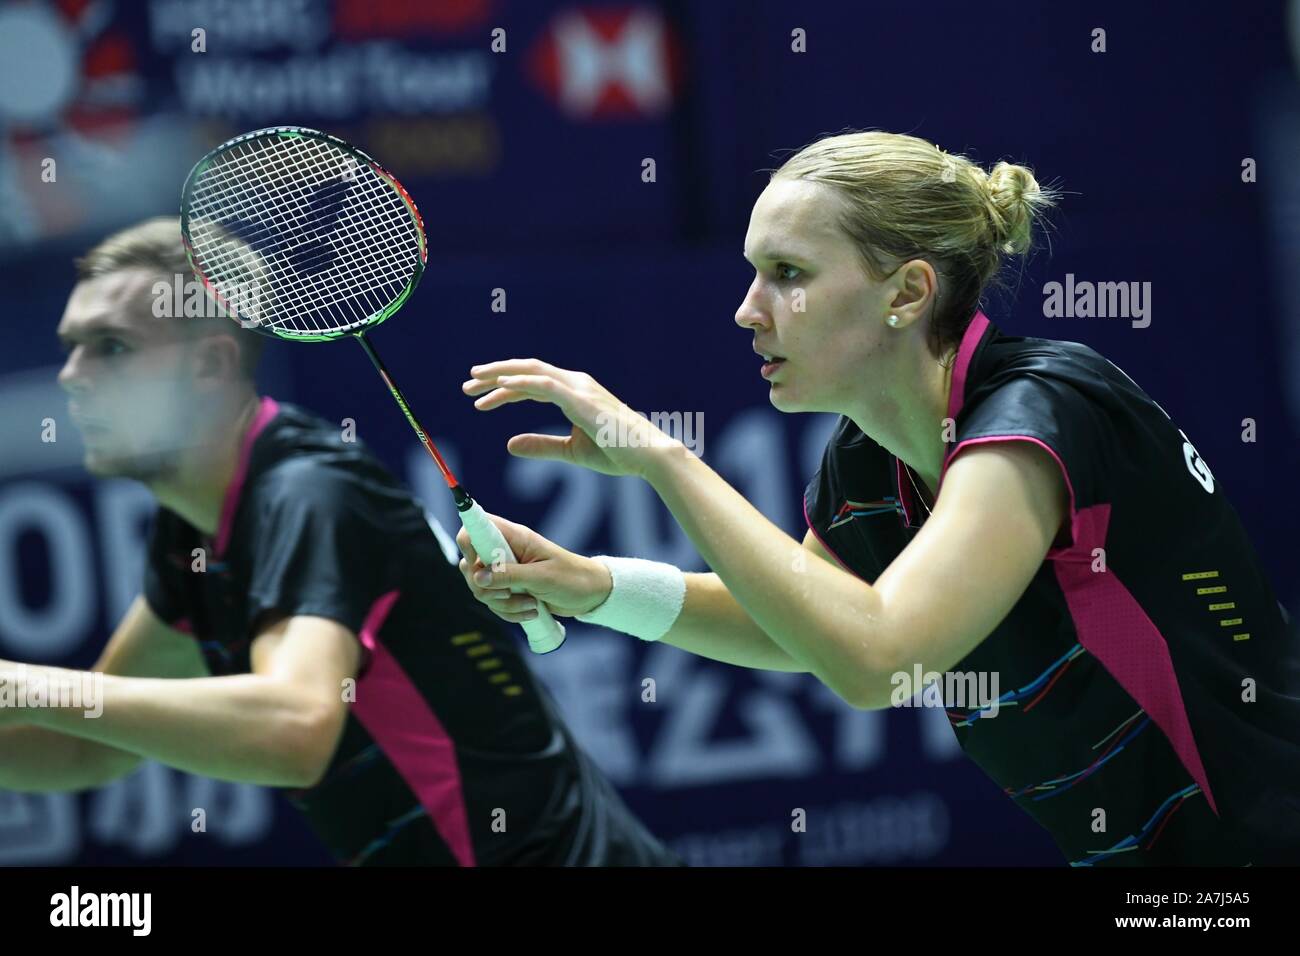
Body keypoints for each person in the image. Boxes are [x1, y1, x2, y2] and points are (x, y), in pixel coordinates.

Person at [454, 130, 1300, 866]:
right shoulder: (867, 464)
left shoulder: (1042, 416)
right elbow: (795, 622)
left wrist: (663, 459)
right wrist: (598, 588)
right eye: (753, 272)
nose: (749, 311)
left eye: (788, 274)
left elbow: (879, 660)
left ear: (906, 292)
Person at [0, 216, 680, 867]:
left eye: (110, 347)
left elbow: (294, 726)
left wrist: (21, 684)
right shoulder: (197, 526)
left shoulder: (309, 495)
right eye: (70, 348)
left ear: (209, 365)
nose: (71, 376)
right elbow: (88, 748)